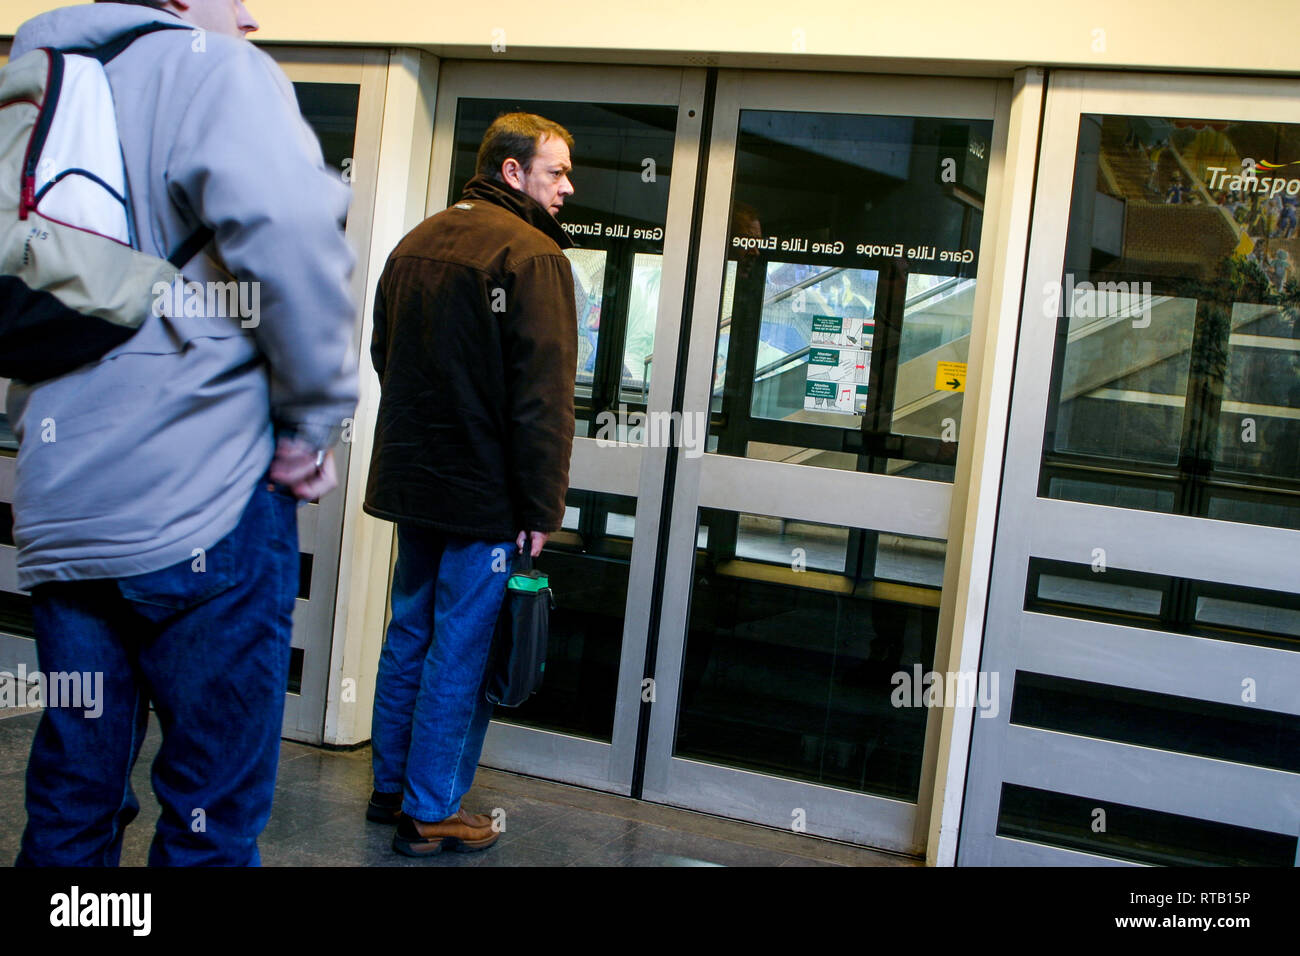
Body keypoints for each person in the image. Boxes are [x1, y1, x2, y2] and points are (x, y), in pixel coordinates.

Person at [9, 0, 357, 865]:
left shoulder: (37, 83)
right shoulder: (216, 70)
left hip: (64, 506)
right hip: (201, 496)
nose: (249, 13)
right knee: (210, 805)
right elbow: (292, 236)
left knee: (74, 791)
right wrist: (314, 419)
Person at [363, 113, 577, 856]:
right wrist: (542, 504)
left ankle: (391, 788)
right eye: (556, 172)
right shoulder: (533, 255)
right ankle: (431, 809)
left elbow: (384, 354)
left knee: (409, 635)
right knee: (463, 648)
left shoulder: (415, 242)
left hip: (415, 483)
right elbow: (543, 399)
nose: (567, 187)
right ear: (513, 171)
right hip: (486, 498)